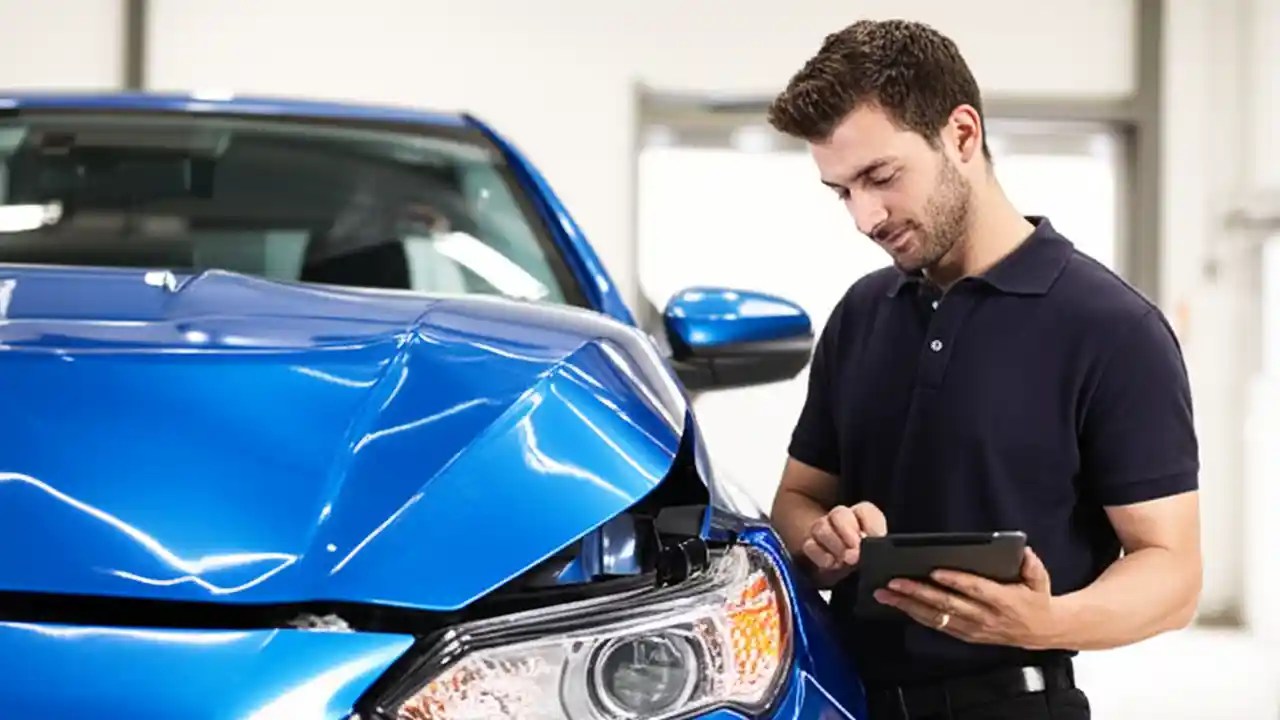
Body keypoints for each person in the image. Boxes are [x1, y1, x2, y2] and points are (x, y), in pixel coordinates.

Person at [765, 18, 1202, 720]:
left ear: (962, 135)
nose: (864, 217)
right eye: (841, 190)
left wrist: (1042, 623)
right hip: (838, 700)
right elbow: (797, 499)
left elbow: (1173, 573)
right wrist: (823, 541)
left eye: (880, 177)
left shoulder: (1114, 329)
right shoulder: (862, 312)